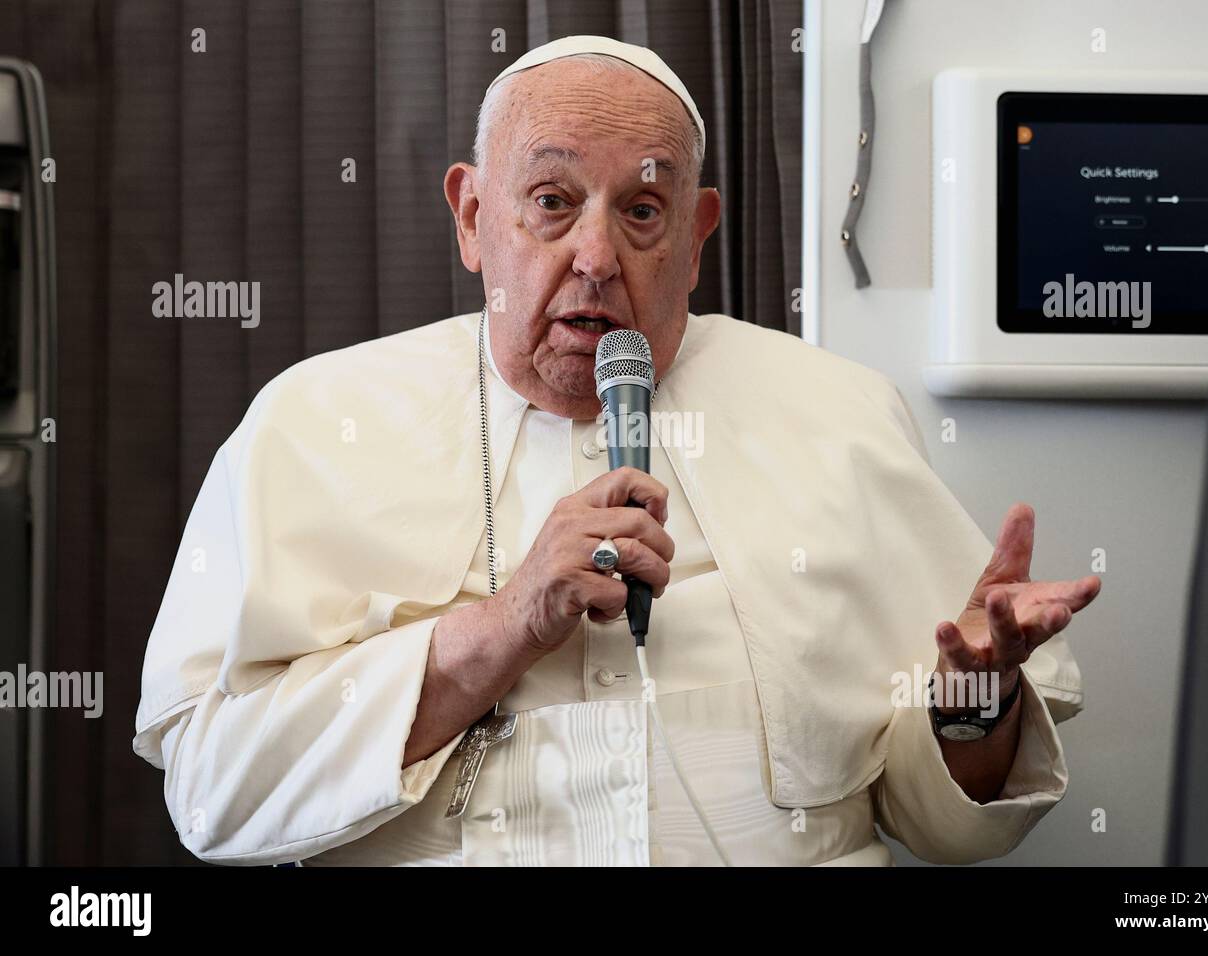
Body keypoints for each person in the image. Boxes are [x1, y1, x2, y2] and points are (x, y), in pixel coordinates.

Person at [133, 35, 1098, 866]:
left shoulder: (839, 414)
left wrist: (974, 703)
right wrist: (502, 629)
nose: (596, 257)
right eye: (551, 200)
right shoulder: (310, 422)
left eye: (642, 211)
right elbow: (212, 794)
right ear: (473, 217)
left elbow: (944, 830)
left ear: (697, 234)